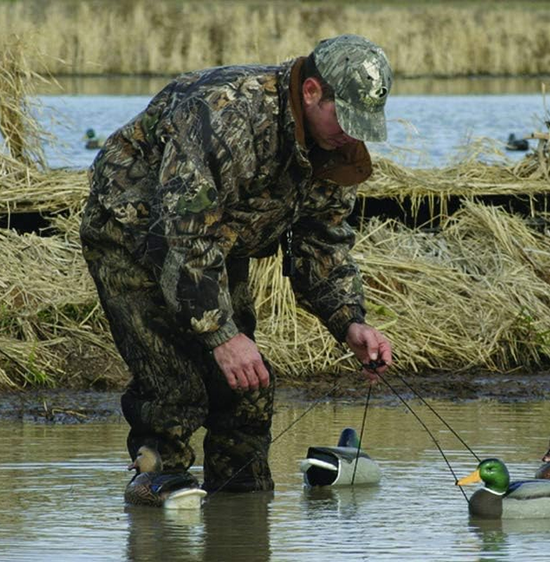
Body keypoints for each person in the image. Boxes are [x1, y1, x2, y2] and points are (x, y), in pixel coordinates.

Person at [79, 34, 394, 493]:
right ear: (310, 92)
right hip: (131, 232)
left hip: (217, 244)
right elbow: (182, 233)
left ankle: (242, 505)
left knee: (249, 382)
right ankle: (159, 486)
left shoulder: (335, 148)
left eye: (363, 122)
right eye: (345, 117)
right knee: (174, 386)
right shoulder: (223, 113)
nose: (353, 131)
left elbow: (322, 239)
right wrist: (221, 334)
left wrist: (350, 321)